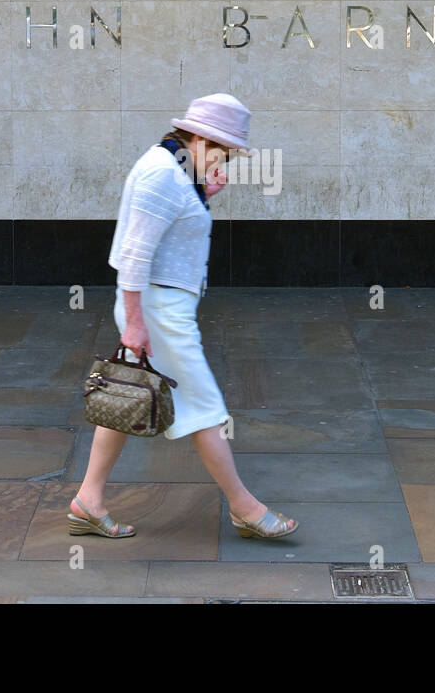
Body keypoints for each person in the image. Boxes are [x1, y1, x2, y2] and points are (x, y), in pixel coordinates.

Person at [69, 93, 298, 541]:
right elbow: (134, 257)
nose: (227, 158)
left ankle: (87, 502)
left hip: (161, 307)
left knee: (132, 396)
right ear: (200, 137)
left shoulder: (177, 170)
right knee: (204, 408)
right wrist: (136, 324)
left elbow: (171, 226)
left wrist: (203, 192)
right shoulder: (163, 175)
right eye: (224, 148)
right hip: (159, 312)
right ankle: (244, 507)